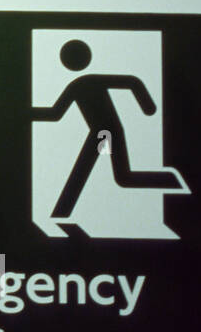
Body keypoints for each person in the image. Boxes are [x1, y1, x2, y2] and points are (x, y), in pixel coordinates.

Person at [31, 39, 185, 218]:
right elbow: (55, 114)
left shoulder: (84, 83)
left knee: (109, 173)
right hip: (103, 133)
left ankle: (61, 213)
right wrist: (147, 107)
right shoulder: (78, 84)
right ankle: (173, 182)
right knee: (122, 177)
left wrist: (148, 106)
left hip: (106, 133)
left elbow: (131, 82)